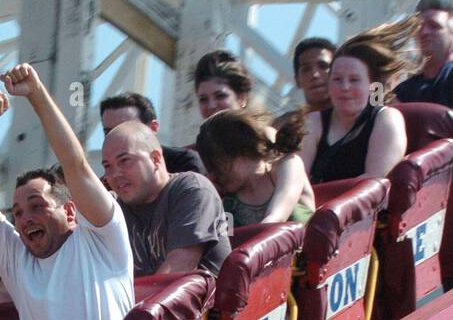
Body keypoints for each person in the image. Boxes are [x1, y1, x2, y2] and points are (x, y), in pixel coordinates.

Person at [0, 63, 133, 320]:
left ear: (70, 211)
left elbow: (74, 164)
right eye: (17, 213)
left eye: (37, 206)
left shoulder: (101, 239)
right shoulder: (18, 261)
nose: (25, 218)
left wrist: (36, 94)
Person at [101, 119, 230, 276]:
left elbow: (180, 267)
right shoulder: (115, 207)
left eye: (124, 161)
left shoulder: (192, 189)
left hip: (200, 300)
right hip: (147, 299)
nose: (115, 174)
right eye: (108, 166)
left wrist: (141, 301)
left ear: (155, 159)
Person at [298, 17, 412, 185]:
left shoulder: (387, 119)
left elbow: (374, 184)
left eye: (354, 80)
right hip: (312, 208)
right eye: (337, 79)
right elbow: (297, 178)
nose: (345, 87)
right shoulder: (313, 122)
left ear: (373, 86)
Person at [196, 110, 315, 228]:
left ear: (244, 152)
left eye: (218, 166)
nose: (213, 176)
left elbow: (276, 218)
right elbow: (224, 241)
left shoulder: (287, 165)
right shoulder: (229, 200)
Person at [99, 92, 205, 177]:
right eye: (108, 132)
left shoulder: (184, 164)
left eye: (126, 129)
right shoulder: (107, 182)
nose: (115, 137)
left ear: (153, 128)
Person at [273, 37, 336, 129]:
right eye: (306, 69)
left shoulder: (359, 121)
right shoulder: (283, 126)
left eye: (323, 66)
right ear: (297, 80)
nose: (315, 75)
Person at [193, 51, 253, 122]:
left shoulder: (262, 132)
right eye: (203, 99)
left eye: (220, 96)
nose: (211, 106)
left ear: (242, 98)